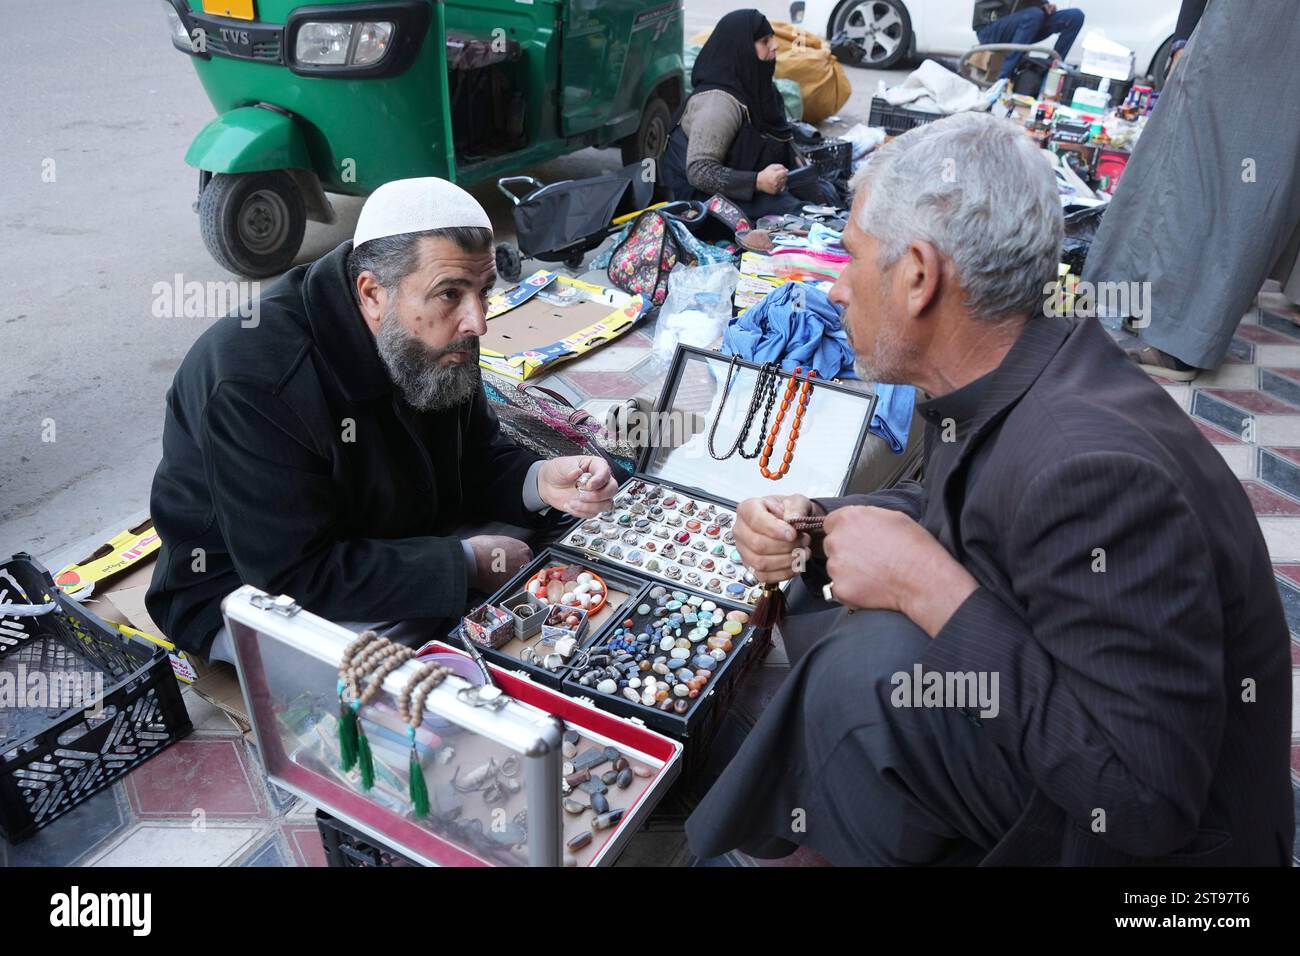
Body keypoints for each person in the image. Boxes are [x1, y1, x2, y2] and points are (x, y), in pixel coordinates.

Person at [685, 112, 1294, 866]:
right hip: (1077, 740)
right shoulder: (1022, 366)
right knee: (837, 592)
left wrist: (929, 589)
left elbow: (1145, 805)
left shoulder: (1093, 472)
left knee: (866, 669)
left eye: (849, 258)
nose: (836, 289)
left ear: (917, 276)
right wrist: (814, 525)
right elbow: (969, 510)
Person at [146, 178, 618, 660]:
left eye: (483, 292)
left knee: (535, 540)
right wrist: (465, 564)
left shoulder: (438, 336)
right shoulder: (255, 381)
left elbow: (476, 455)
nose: (477, 322)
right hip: (250, 585)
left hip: (396, 528)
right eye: (450, 294)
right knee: (384, 653)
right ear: (371, 293)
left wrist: (540, 481)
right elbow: (294, 574)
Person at [1083, 0, 1300, 380]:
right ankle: (1178, 315)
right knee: (1239, 173)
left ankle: (1177, 339)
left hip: (1249, 31)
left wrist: (1184, 37)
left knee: (1199, 170)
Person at [661, 9, 839, 219]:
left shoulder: (758, 89)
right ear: (742, 49)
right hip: (699, 199)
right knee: (797, 216)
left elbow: (778, 136)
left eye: (772, 38)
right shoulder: (718, 104)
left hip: (745, 181)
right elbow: (700, 172)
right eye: (765, 41)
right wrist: (757, 181)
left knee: (827, 198)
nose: (775, 45)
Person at [973, 1, 1085, 81]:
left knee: (1075, 16)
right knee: (1034, 14)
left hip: (1024, 22)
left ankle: (1051, 73)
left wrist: (1044, 6)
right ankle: (1002, 79)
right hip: (989, 26)